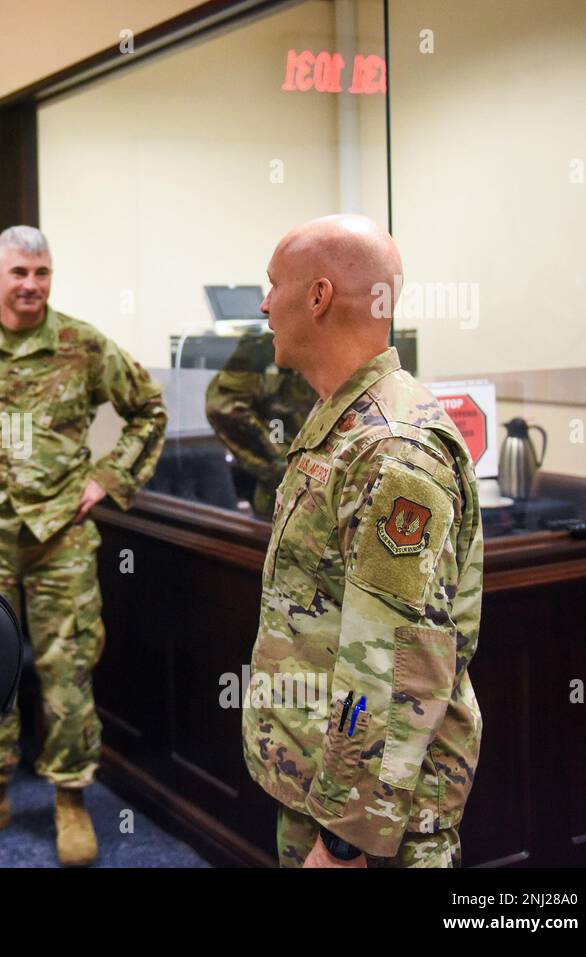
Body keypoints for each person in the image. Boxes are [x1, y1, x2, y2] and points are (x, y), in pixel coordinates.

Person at [0, 226, 167, 866]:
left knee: (69, 670)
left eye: (42, 273)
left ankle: (69, 799)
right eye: (19, 273)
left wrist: (107, 479)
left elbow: (148, 410)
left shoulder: (83, 344)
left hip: (60, 533)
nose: (31, 284)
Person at [242, 214, 483, 868]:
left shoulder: (390, 446)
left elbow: (396, 661)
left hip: (378, 822)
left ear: (318, 297)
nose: (264, 304)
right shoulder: (341, 417)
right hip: (322, 783)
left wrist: (343, 840)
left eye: (273, 285)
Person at [205, 330, 317, 519]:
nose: (265, 305)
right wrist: (282, 463)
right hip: (289, 502)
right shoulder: (270, 346)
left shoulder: (352, 339)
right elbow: (222, 406)